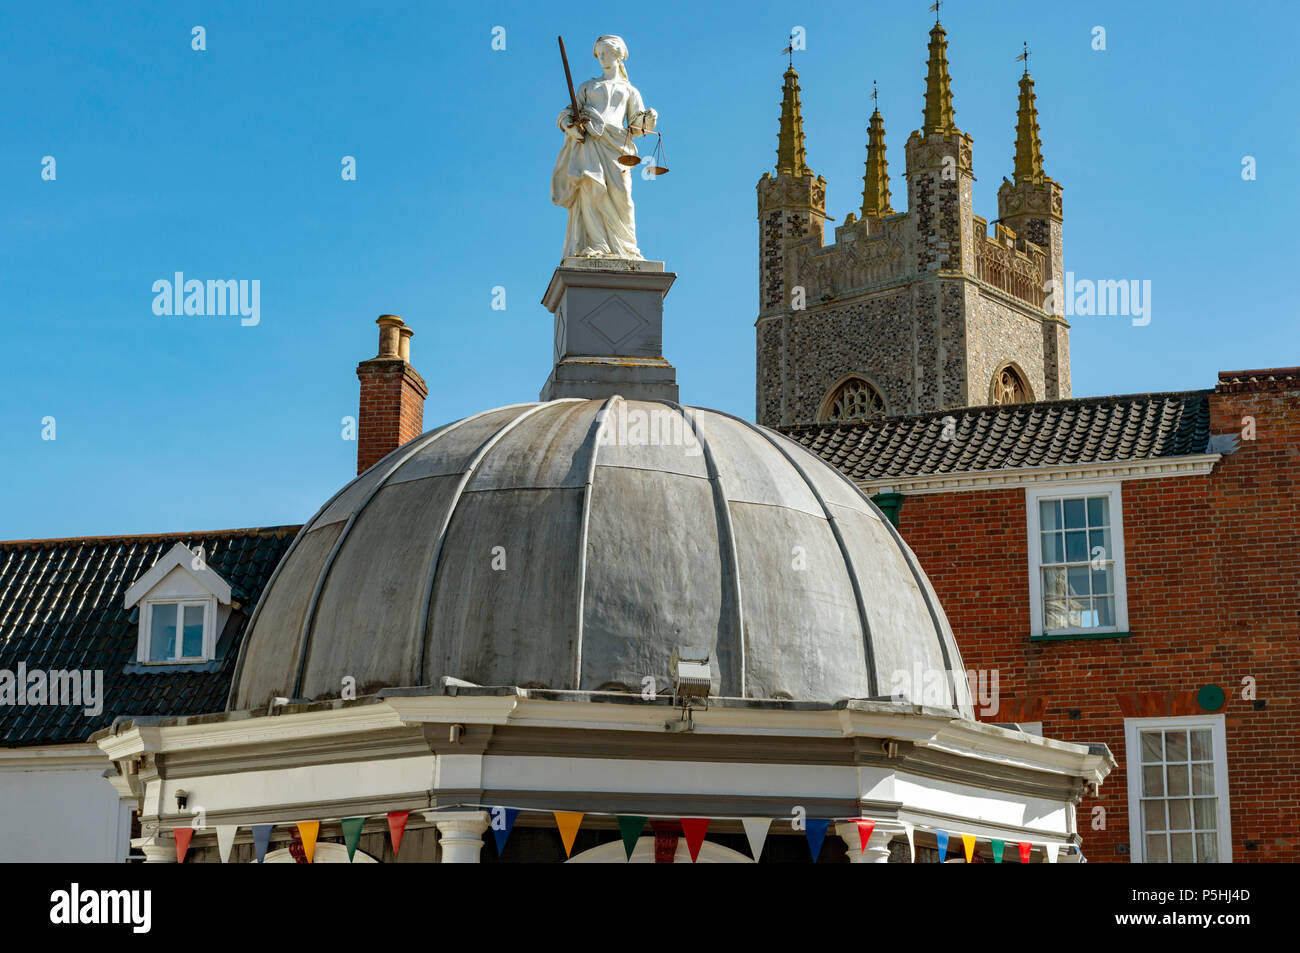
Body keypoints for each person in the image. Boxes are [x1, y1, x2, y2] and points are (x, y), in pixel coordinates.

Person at [551, 35, 658, 260]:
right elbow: (567, 113)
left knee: (622, 196)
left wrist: (649, 118)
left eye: (606, 53)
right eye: (599, 54)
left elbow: (637, 126)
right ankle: (597, 244)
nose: (601, 58)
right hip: (590, 144)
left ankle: (626, 248)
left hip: (617, 147)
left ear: (618, 54)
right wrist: (570, 128)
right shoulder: (588, 87)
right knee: (591, 190)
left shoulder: (630, 91)